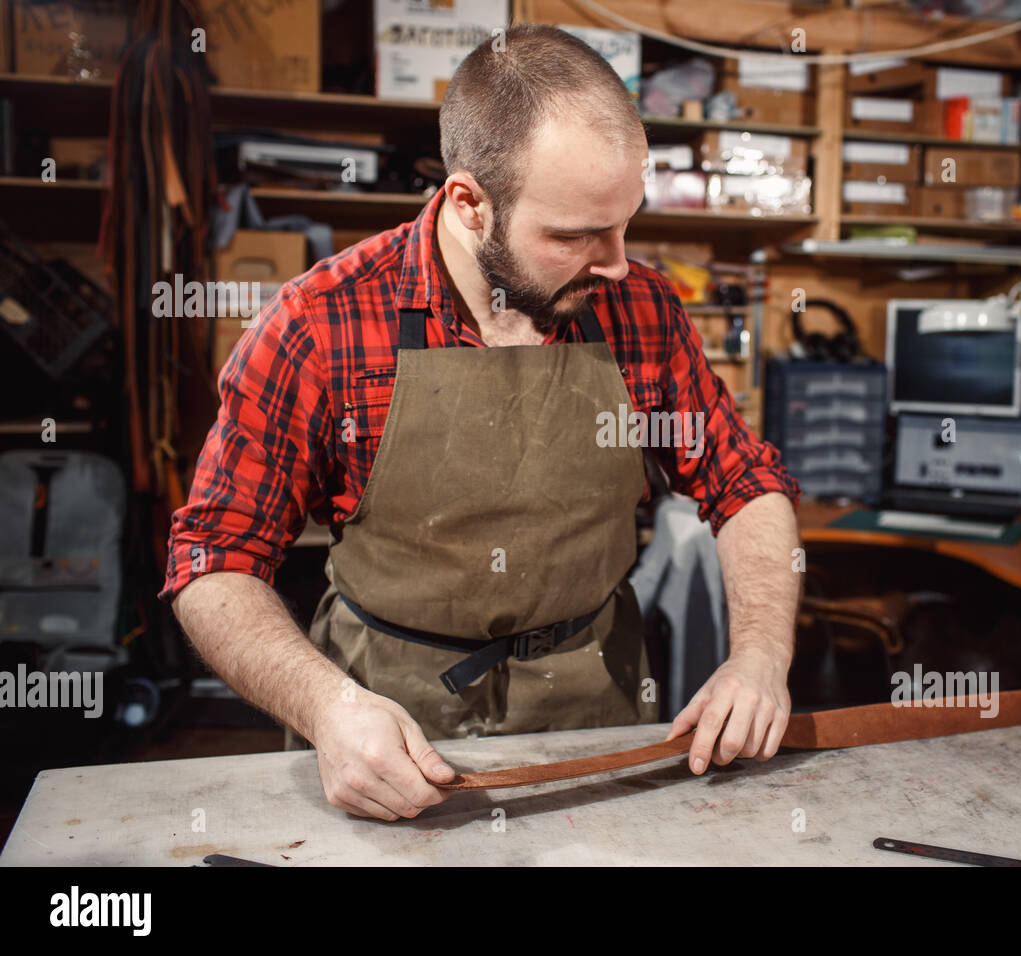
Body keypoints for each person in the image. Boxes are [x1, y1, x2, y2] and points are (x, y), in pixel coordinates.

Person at [161, 24, 801, 822]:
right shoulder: (318, 324)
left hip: (595, 712)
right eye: (573, 235)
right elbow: (212, 562)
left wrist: (761, 657)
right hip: (383, 725)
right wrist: (327, 709)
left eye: (626, 222)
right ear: (469, 202)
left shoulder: (640, 306)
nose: (616, 261)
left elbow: (747, 483)